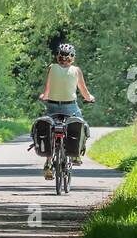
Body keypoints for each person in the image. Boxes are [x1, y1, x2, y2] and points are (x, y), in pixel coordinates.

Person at [38, 43, 95, 179]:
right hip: (70, 107)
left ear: (58, 56)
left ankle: (48, 164)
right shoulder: (76, 70)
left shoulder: (51, 68)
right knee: (82, 126)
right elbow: (84, 92)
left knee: (51, 130)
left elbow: (47, 90)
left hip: (52, 106)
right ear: (72, 57)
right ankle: (75, 156)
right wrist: (90, 98)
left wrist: (43, 97)